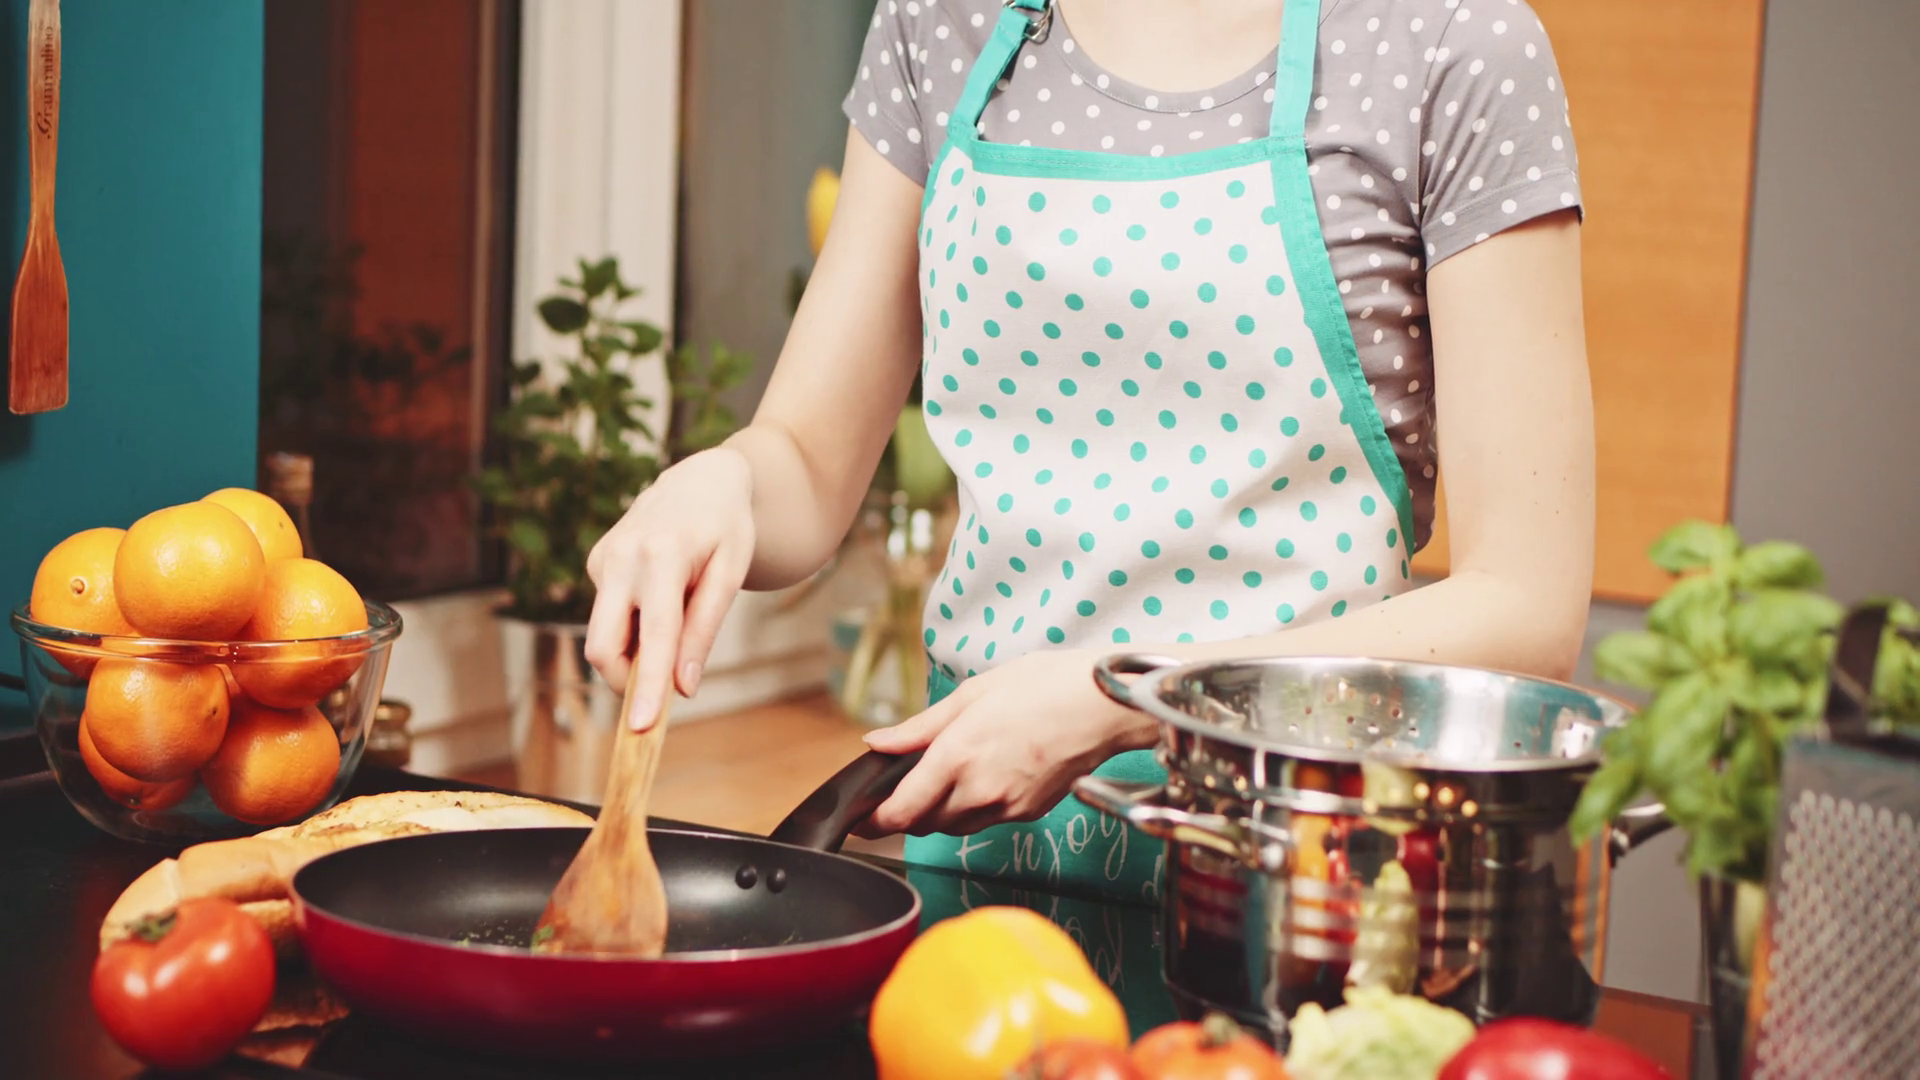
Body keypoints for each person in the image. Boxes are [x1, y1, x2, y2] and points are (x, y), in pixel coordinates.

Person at [584, 0, 1593, 917]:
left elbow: (1525, 606)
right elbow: (806, 462)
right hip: (977, 885)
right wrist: (721, 483)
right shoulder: (943, 20)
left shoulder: (1450, 42)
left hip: (1306, 887)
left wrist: (1123, 696)